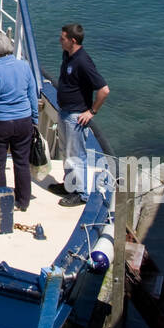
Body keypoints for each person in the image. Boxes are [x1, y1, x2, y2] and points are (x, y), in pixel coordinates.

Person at [0, 30, 39, 212]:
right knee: (21, 162)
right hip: (23, 121)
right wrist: (34, 118)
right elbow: (32, 96)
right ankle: (23, 200)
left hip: (0, 123)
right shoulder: (25, 67)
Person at [49, 23, 110, 206]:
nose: (60, 41)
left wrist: (91, 112)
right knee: (66, 152)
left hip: (76, 115)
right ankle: (69, 185)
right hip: (64, 111)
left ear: (72, 41)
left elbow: (104, 90)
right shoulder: (68, 55)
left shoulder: (83, 61)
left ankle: (81, 193)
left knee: (76, 155)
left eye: (63, 38)